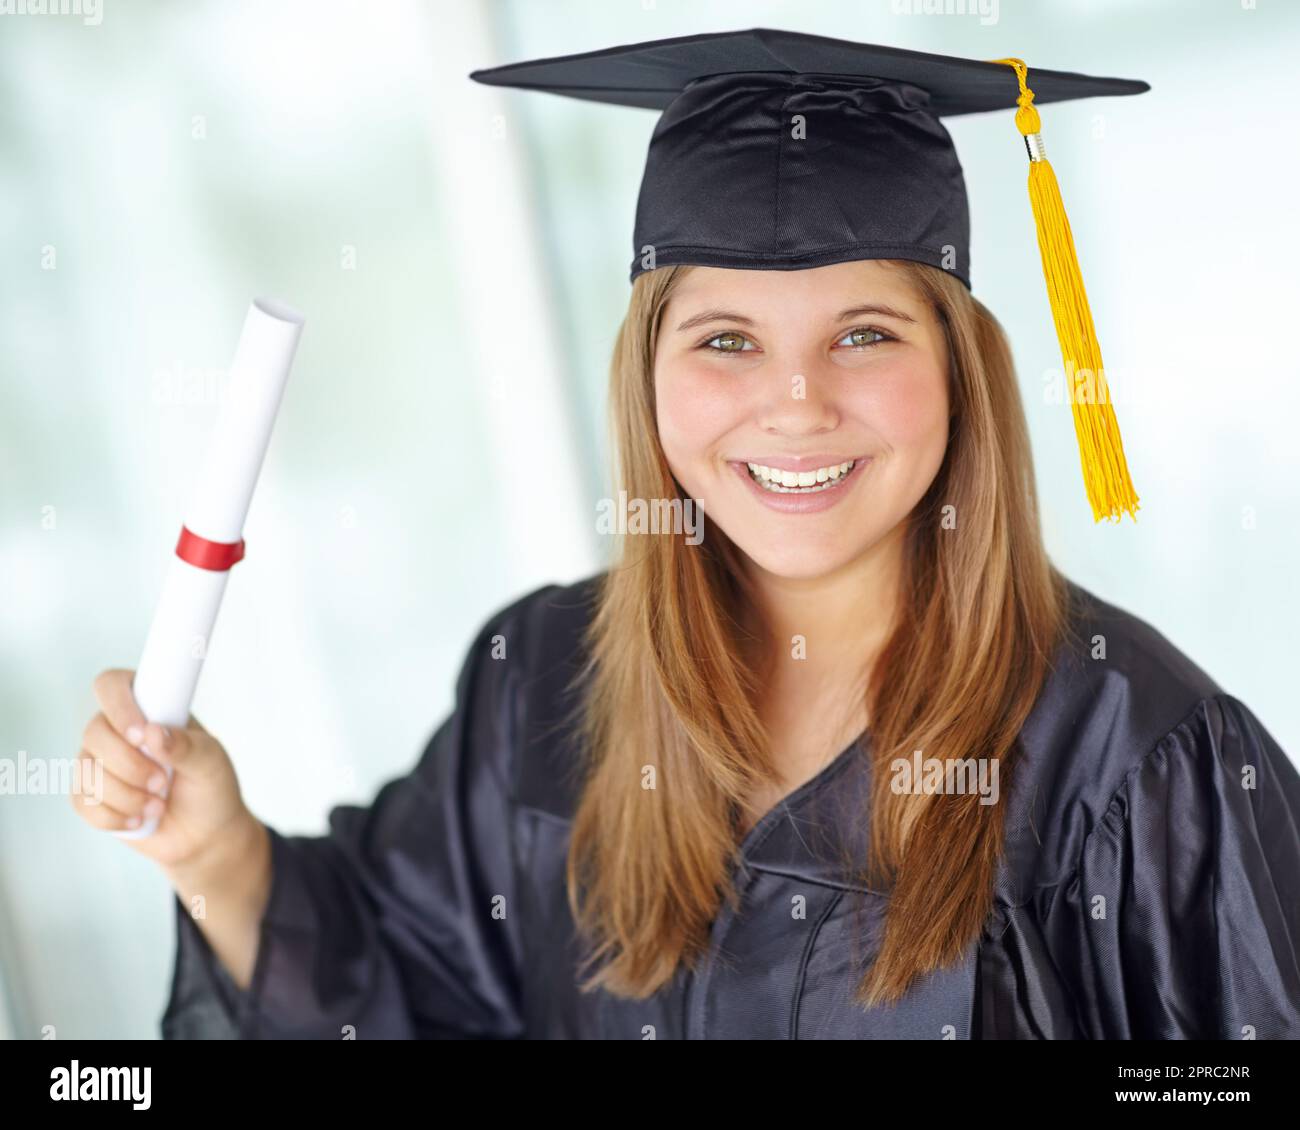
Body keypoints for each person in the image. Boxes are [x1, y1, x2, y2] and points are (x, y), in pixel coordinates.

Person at [76, 29, 1300, 1039]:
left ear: (961, 369)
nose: (796, 401)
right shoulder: (546, 686)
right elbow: (393, 987)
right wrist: (217, 849)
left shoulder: (1139, 759)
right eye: (724, 339)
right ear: (644, 375)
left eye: (865, 332)